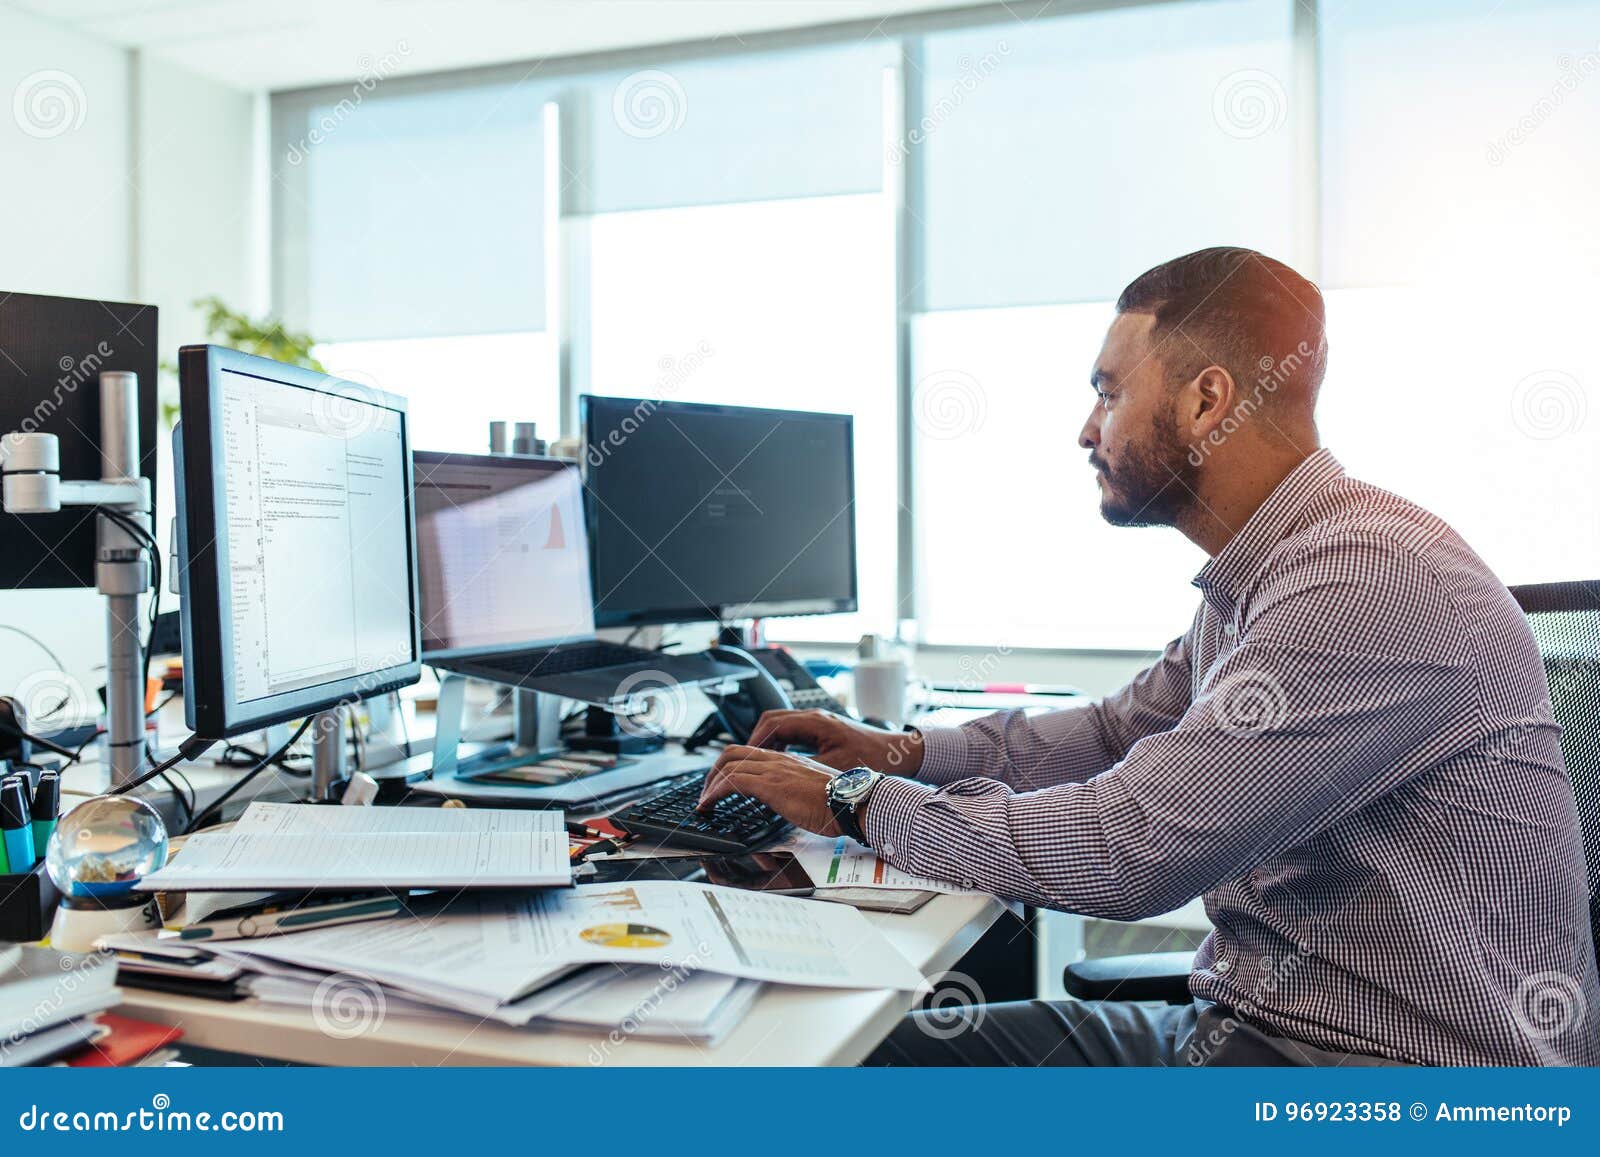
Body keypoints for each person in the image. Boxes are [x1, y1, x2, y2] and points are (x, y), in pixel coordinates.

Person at [696, 247, 1600, 1067]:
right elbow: (1111, 730)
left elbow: (1127, 850)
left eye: (1108, 391)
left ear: (1206, 400)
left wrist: (853, 802)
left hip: (1391, 1077)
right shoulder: (1270, 572)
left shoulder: (1367, 578)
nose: (1087, 430)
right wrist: (902, 753)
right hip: (1252, 1035)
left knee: (823, 1075)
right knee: (861, 1059)